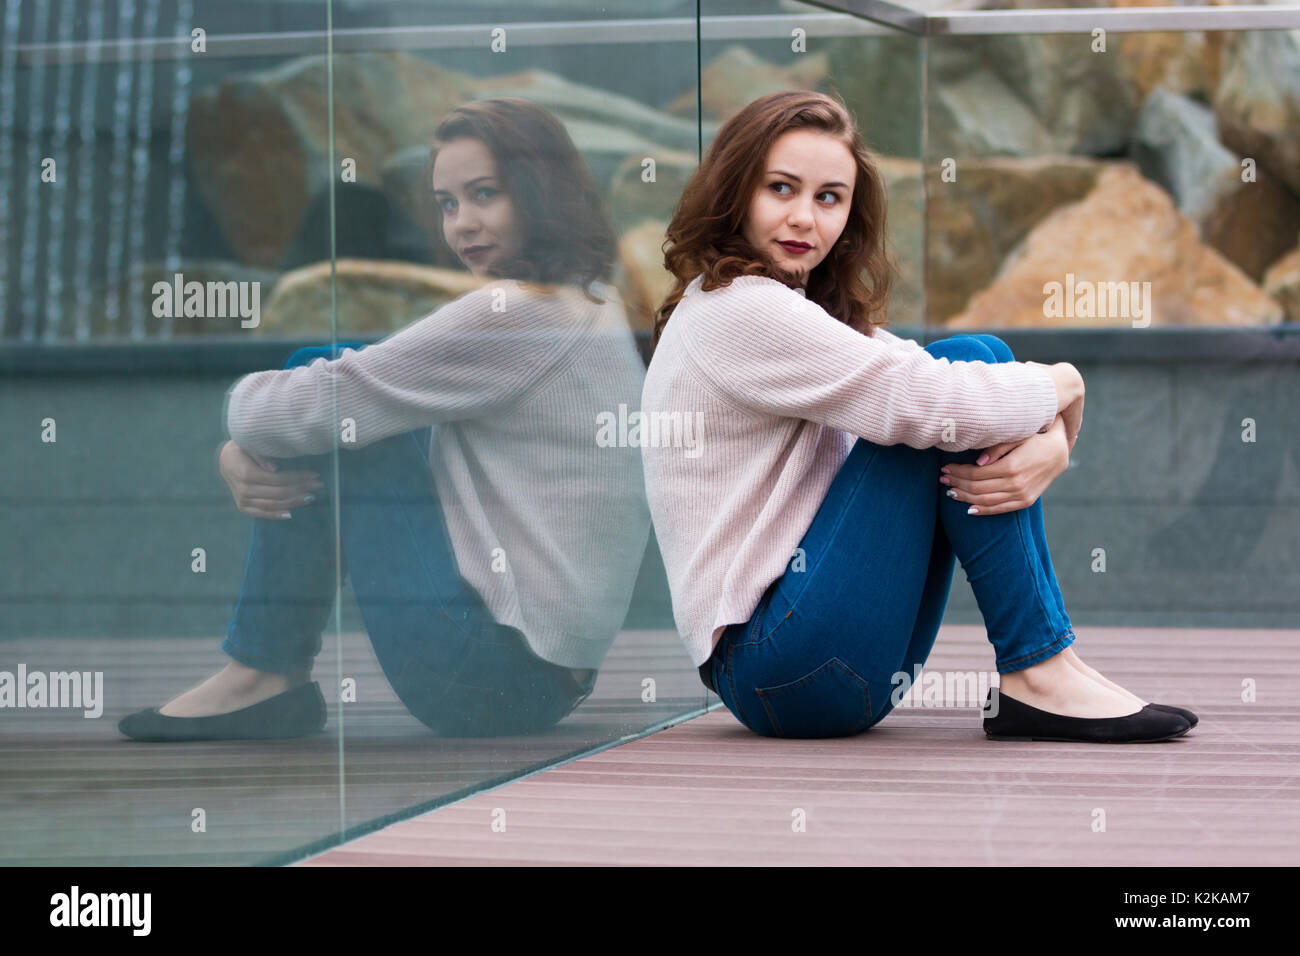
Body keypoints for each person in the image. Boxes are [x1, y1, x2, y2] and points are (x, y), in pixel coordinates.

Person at [640, 90, 1196, 743]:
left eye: (828, 198)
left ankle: (1048, 664)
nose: (803, 218)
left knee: (973, 362)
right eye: (781, 188)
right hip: (780, 668)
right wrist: (1066, 387)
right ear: (735, 189)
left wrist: (1051, 442)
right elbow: (928, 398)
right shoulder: (740, 311)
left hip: (818, 667)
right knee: (963, 364)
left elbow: (941, 386)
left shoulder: (782, 308)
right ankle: (1039, 668)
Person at [119, 98, 650, 741]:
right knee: (343, 395)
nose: (463, 226)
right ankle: (263, 673)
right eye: (448, 203)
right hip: (549, 679)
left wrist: (235, 445)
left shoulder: (514, 315)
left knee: (325, 387)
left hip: (485, 678)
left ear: (541, 192)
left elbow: (310, 406)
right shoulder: (594, 300)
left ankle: (263, 671)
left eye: (485, 194)